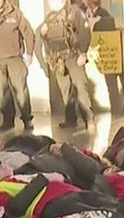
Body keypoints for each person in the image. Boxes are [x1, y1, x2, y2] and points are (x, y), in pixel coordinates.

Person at [0, 0, 37, 131]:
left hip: (15, 58)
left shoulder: (15, 14)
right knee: (3, 92)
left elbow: (28, 33)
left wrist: (30, 53)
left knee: (21, 90)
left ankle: (27, 119)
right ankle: (7, 121)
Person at [37, 0, 94, 129]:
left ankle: (89, 118)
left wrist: (83, 53)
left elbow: (85, 32)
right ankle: (70, 119)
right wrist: (43, 33)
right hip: (58, 59)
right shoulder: (50, 17)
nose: (51, 3)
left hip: (73, 56)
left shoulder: (75, 11)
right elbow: (45, 38)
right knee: (65, 90)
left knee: (80, 87)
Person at [86, 0, 124, 116]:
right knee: (112, 85)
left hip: (111, 54)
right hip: (108, 55)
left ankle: (118, 109)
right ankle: (117, 109)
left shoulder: (103, 15)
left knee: (113, 85)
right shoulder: (92, 14)